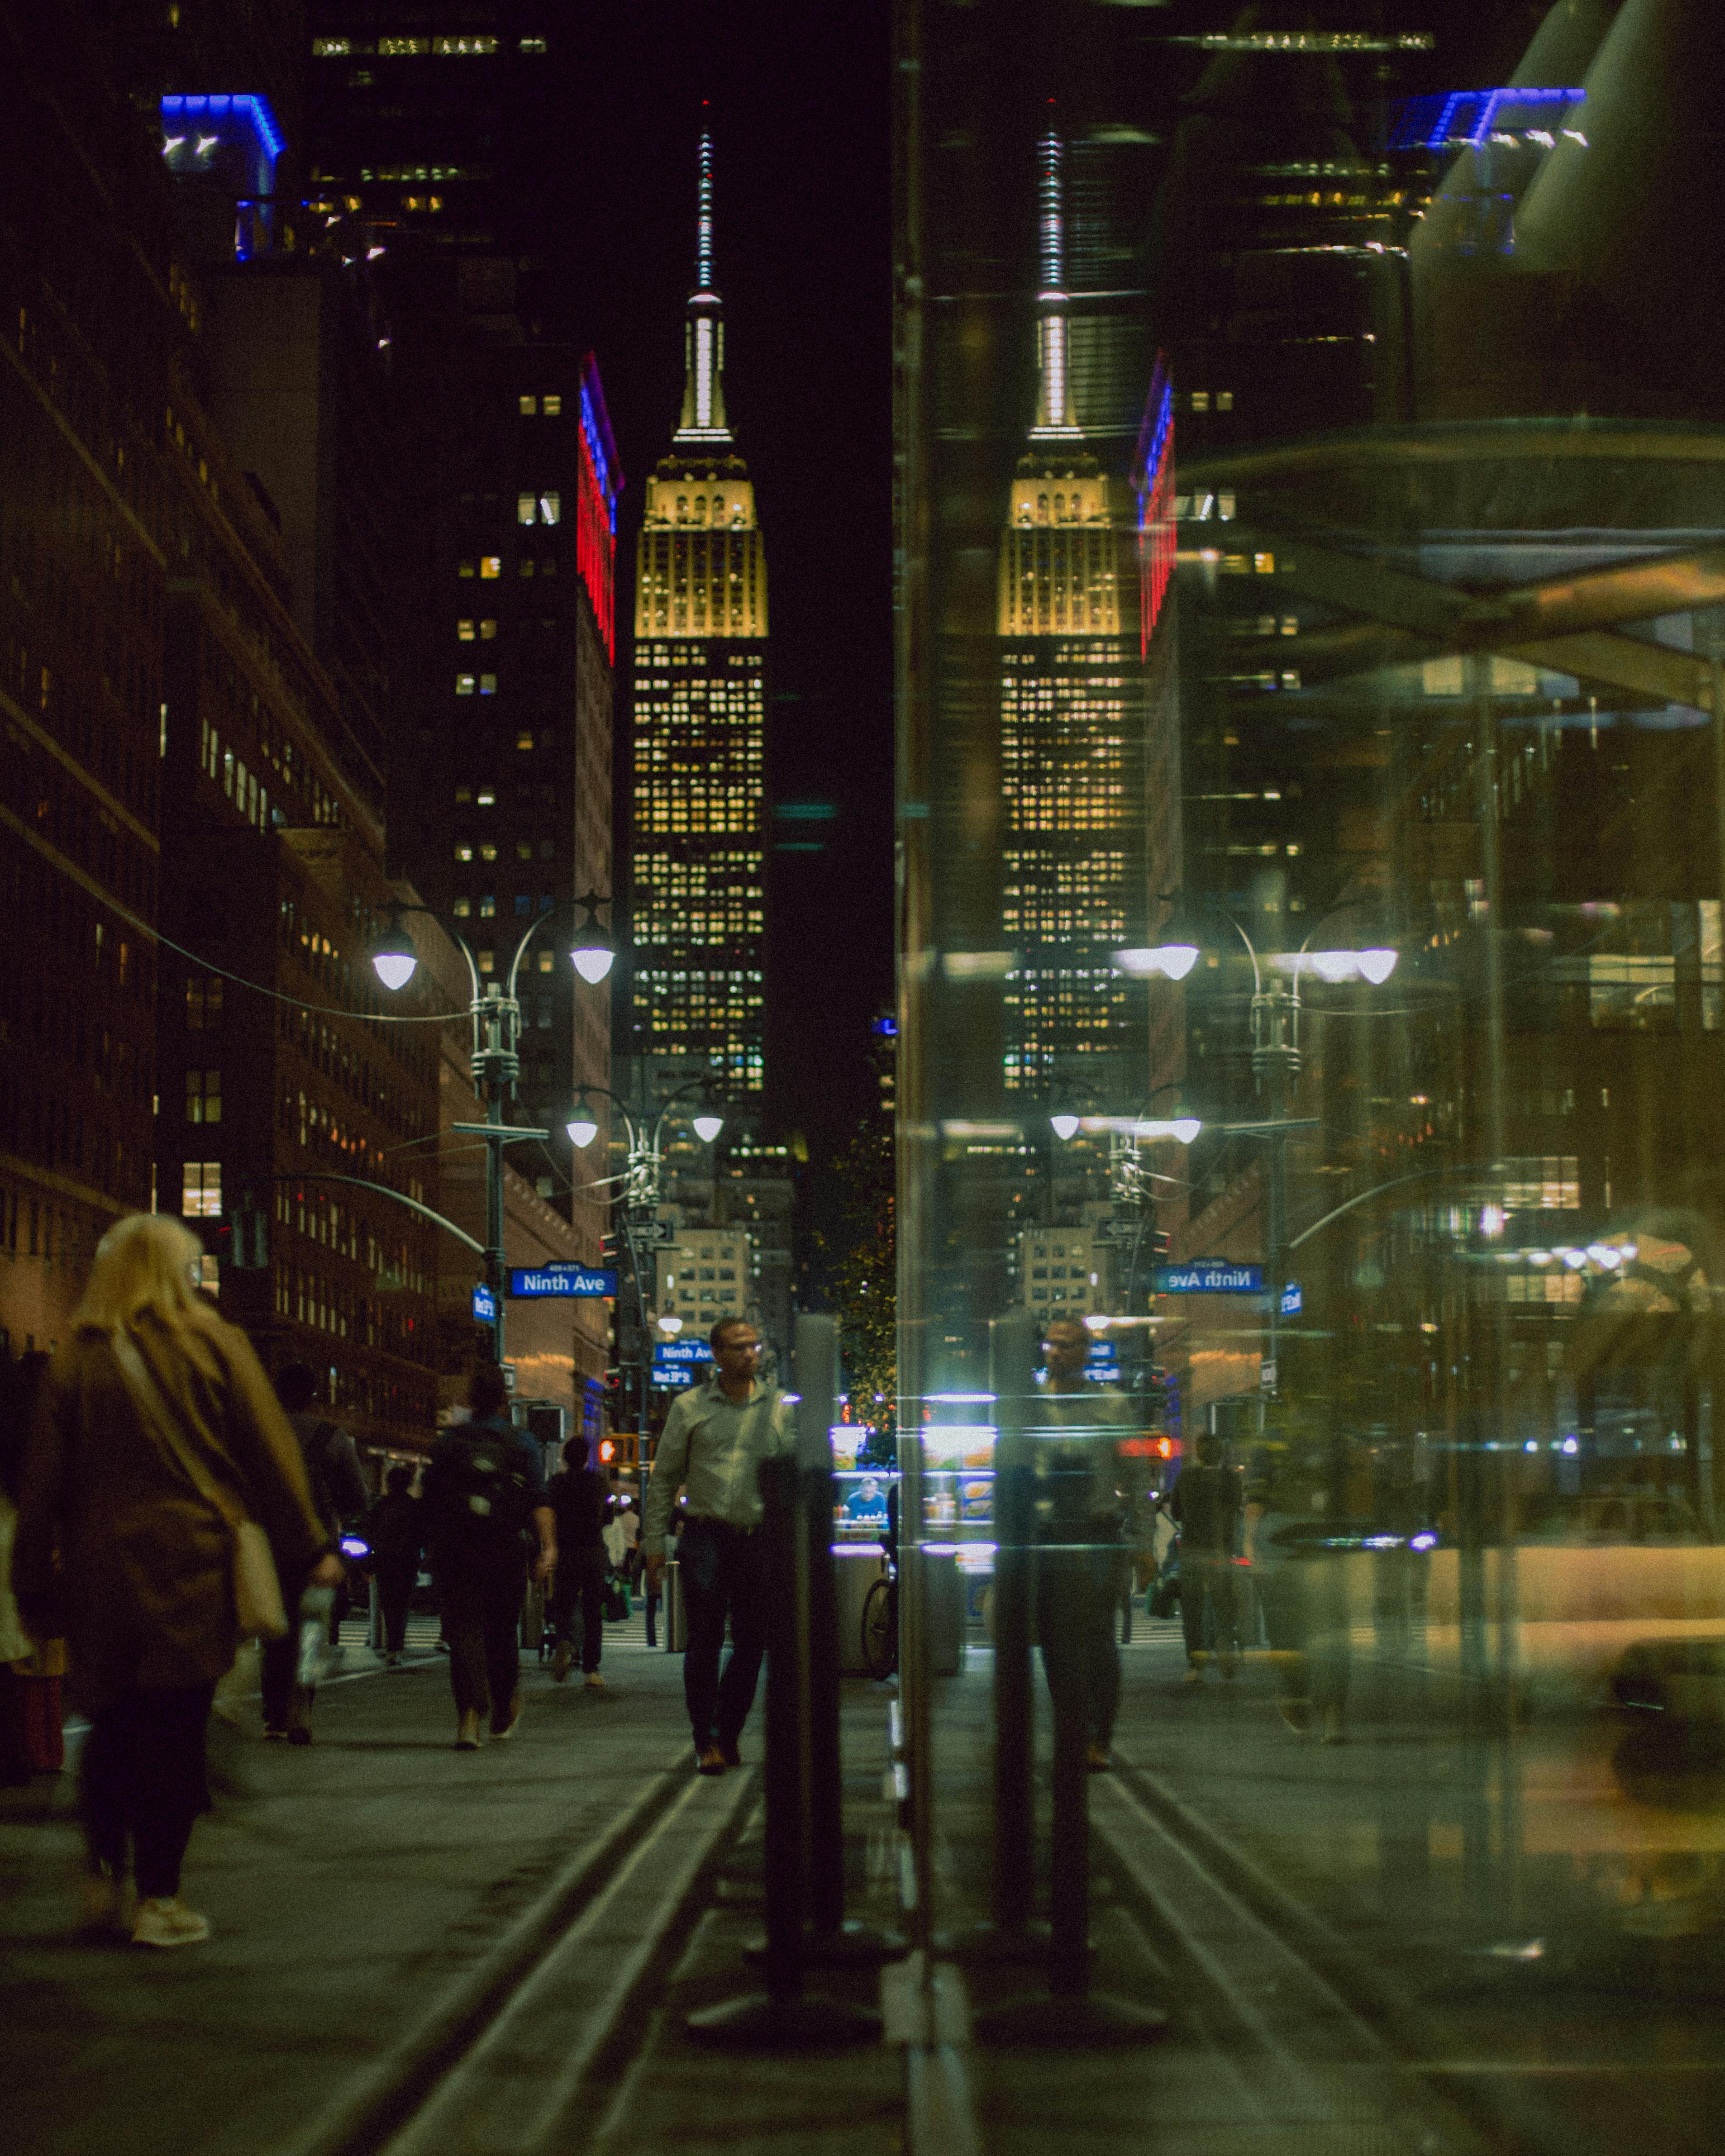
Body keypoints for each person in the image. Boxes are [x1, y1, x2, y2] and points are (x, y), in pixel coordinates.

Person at [12, 1214, 338, 1947]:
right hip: (190, 1570)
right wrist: (308, 1544)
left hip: (98, 1578)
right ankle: (159, 1897)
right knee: (174, 1731)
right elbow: (268, 1453)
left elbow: (41, 1489)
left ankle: (101, 1874)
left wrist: (32, 1582)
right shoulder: (215, 1345)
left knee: (113, 1727)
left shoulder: (77, 1359)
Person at [643, 1319, 795, 1775]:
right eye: (738, 1347)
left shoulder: (781, 1407)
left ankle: (727, 1730)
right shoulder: (689, 1407)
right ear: (716, 1354)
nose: (750, 1353)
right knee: (704, 1641)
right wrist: (654, 1543)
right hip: (705, 1535)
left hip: (757, 1538)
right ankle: (705, 1738)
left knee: (751, 1644)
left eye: (754, 1345)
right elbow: (664, 1476)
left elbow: (793, 1476)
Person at [1026, 1318, 1150, 1771]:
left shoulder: (1111, 1406)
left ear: (1085, 1352)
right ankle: (1072, 1731)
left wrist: (1141, 1543)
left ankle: (1099, 1737)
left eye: (1066, 1345)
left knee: (1096, 1639)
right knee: (1055, 1643)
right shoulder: (1031, 1404)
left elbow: (1136, 1478)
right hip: (1046, 1536)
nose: (1055, 1352)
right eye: (1051, 1344)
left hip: (1096, 1532)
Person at [422, 1366, 556, 1749]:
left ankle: (468, 1716)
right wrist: (548, 1548)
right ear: (505, 1399)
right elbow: (539, 1499)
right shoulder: (522, 1443)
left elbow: (430, 1500)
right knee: (501, 1632)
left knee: (464, 1631)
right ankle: (502, 1707)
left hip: (457, 1549)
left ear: (469, 1397)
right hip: (504, 1548)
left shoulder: (449, 1442)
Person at [261, 1363, 368, 1742]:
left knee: (275, 1629)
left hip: (267, 1546)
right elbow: (357, 1497)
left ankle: (274, 1713)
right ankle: (301, 1702)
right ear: (312, 1396)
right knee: (310, 1629)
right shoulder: (332, 1438)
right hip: (316, 1548)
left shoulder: (259, 1433)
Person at [1168, 1429, 1243, 1683]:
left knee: (1192, 1609)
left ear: (1199, 1453)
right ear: (1221, 1453)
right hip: (1220, 1549)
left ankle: (1196, 1664)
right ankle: (1225, 1651)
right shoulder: (1231, 1479)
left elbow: (1176, 1512)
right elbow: (1235, 1511)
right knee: (1223, 1605)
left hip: (1191, 1549)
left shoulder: (1186, 1477)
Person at [547, 1435, 609, 1687]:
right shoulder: (597, 1482)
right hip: (593, 1550)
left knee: (564, 1602)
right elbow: (608, 1517)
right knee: (593, 1609)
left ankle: (564, 1639)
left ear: (564, 1457)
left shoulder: (556, 1483)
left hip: (566, 1551)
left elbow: (548, 1513)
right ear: (586, 1458)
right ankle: (591, 1668)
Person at [366, 1465, 423, 1664]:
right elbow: (421, 1536)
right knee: (402, 1605)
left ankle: (392, 1647)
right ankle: (396, 1647)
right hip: (408, 1562)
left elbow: (370, 1533)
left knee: (389, 1605)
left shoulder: (381, 1507)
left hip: (385, 1561)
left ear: (389, 1484)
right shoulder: (415, 1508)